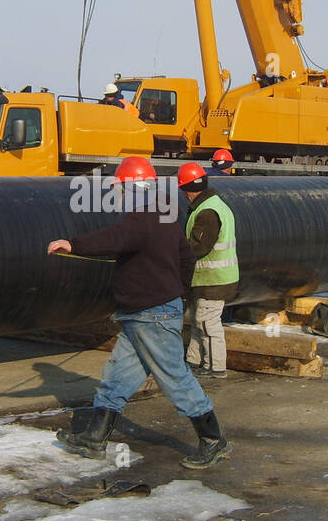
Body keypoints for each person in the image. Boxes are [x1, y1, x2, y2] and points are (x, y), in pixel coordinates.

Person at [46, 156, 230, 469]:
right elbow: (187, 258)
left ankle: (213, 440)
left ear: (133, 189)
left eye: (119, 190)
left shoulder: (141, 219)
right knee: (116, 378)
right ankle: (94, 439)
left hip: (151, 315)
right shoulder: (164, 218)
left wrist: (71, 244)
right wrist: (177, 291)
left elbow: (112, 238)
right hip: (143, 315)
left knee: (174, 376)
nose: (117, 197)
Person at [178, 162, 238, 380]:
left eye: (184, 191)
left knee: (207, 323)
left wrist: (174, 255)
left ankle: (215, 366)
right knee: (197, 320)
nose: (183, 196)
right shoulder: (213, 205)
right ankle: (194, 361)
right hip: (209, 279)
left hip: (214, 280)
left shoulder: (208, 212)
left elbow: (199, 247)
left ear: (189, 189)